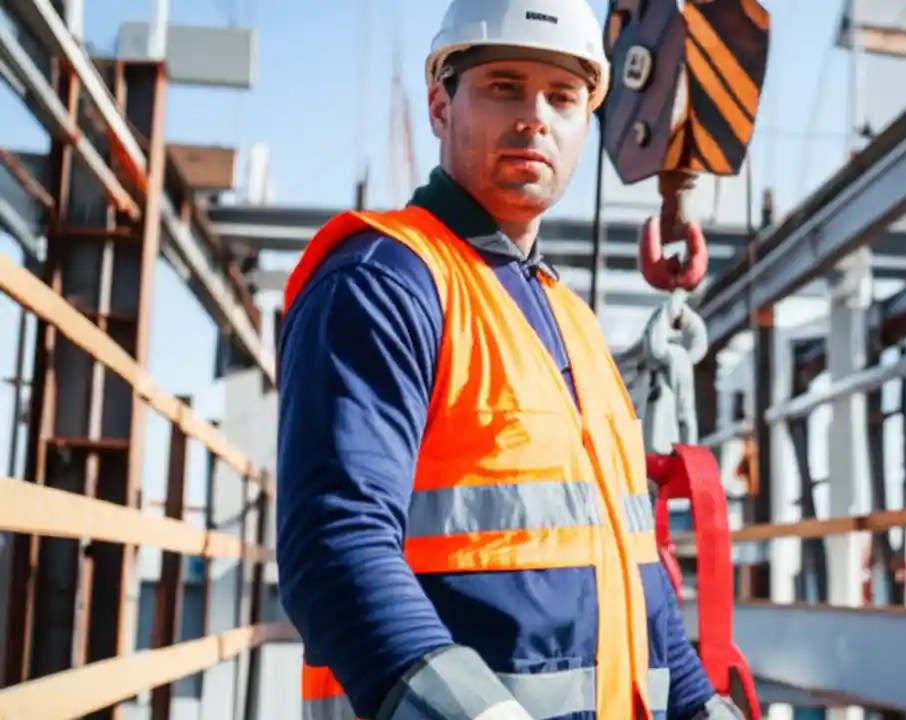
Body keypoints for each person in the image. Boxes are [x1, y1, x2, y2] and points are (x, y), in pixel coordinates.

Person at [274, 1, 742, 718]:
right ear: (440, 104)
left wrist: (699, 705)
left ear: (589, 119)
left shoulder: (572, 322)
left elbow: (634, 573)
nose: (534, 117)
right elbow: (335, 550)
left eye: (562, 96)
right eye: (503, 87)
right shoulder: (382, 282)